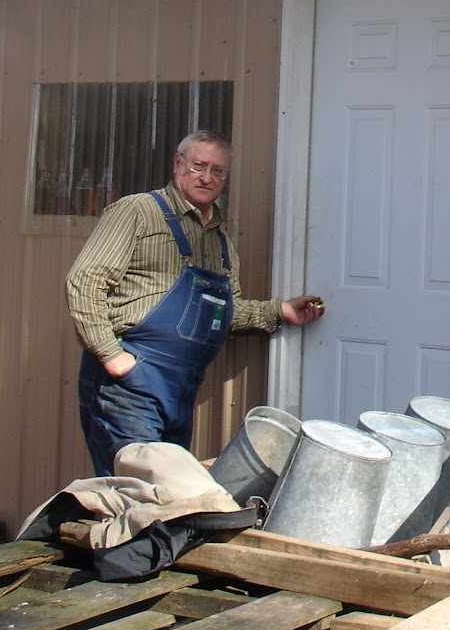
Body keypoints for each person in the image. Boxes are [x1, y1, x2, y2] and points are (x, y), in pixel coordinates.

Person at [66, 130, 323, 475]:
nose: (207, 177)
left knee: (169, 491)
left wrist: (279, 311)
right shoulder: (139, 211)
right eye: (198, 166)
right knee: (139, 489)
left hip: (179, 389)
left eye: (218, 171)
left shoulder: (219, 241)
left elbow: (223, 313)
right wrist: (112, 357)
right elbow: (84, 282)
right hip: (130, 385)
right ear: (178, 164)